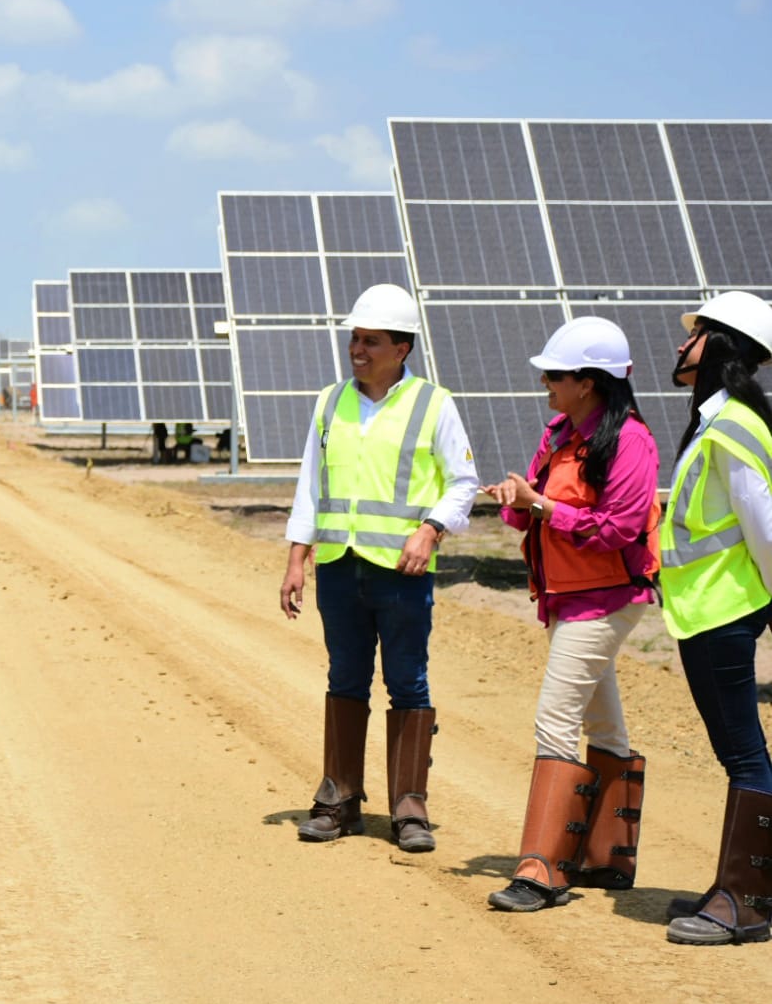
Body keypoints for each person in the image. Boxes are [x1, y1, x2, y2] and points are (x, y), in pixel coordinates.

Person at [279, 283, 479, 852]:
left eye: (371, 340)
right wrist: (297, 557)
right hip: (340, 568)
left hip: (402, 572)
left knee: (407, 682)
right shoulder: (329, 401)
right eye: (354, 339)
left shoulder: (434, 404)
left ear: (402, 348)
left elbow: (463, 482)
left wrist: (430, 528)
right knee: (344, 679)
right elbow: (309, 487)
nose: (357, 349)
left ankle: (409, 809)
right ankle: (338, 800)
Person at [480, 317, 660, 913]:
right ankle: (608, 857)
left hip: (606, 600)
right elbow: (532, 511)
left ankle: (542, 869)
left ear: (589, 382)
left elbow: (621, 528)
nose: (544, 383)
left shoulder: (631, 442)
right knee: (603, 724)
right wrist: (516, 502)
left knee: (555, 718)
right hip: (566, 598)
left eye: (555, 374)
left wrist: (545, 508)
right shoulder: (558, 432)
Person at [656, 291, 772, 946]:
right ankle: (736, 886)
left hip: (722, 612)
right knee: (740, 757)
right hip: (707, 611)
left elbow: (763, 529)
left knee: (745, 758)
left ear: (721, 344)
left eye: (693, 333)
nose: (681, 344)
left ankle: (744, 903)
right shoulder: (718, 419)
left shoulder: (729, 426)